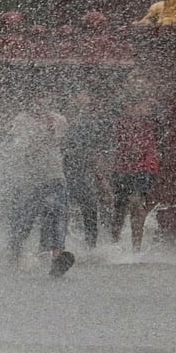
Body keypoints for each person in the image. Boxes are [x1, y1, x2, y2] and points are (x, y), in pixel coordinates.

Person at [5, 81, 74, 276]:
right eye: (38, 96)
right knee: (25, 219)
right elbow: (19, 150)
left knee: (59, 214)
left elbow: (64, 144)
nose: (42, 101)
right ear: (29, 100)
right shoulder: (21, 121)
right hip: (31, 178)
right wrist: (40, 139)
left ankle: (57, 257)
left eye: (46, 96)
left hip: (55, 174)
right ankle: (14, 255)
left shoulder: (59, 120)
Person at [109, 86, 161, 251]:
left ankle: (136, 247)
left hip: (141, 170)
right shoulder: (118, 124)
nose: (145, 110)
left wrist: (152, 170)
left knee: (137, 205)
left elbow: (151, 148)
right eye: (141, 106)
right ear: (129, 107)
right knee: (119, 209)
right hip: (121, 170)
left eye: (145, 106)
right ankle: (115, 243)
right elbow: (110, 148)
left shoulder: (149, 124)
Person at [63, 89, 110, 250]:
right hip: (59, 171)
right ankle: (54, 247)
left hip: (79, 171)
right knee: (58, 209)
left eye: (88, 95)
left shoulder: (88, 122)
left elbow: (93, 151)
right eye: (84, 95)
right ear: (73, 99)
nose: (88, 99)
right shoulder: (61, 118)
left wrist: (100, 177)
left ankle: (90, 247)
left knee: (90, 206)